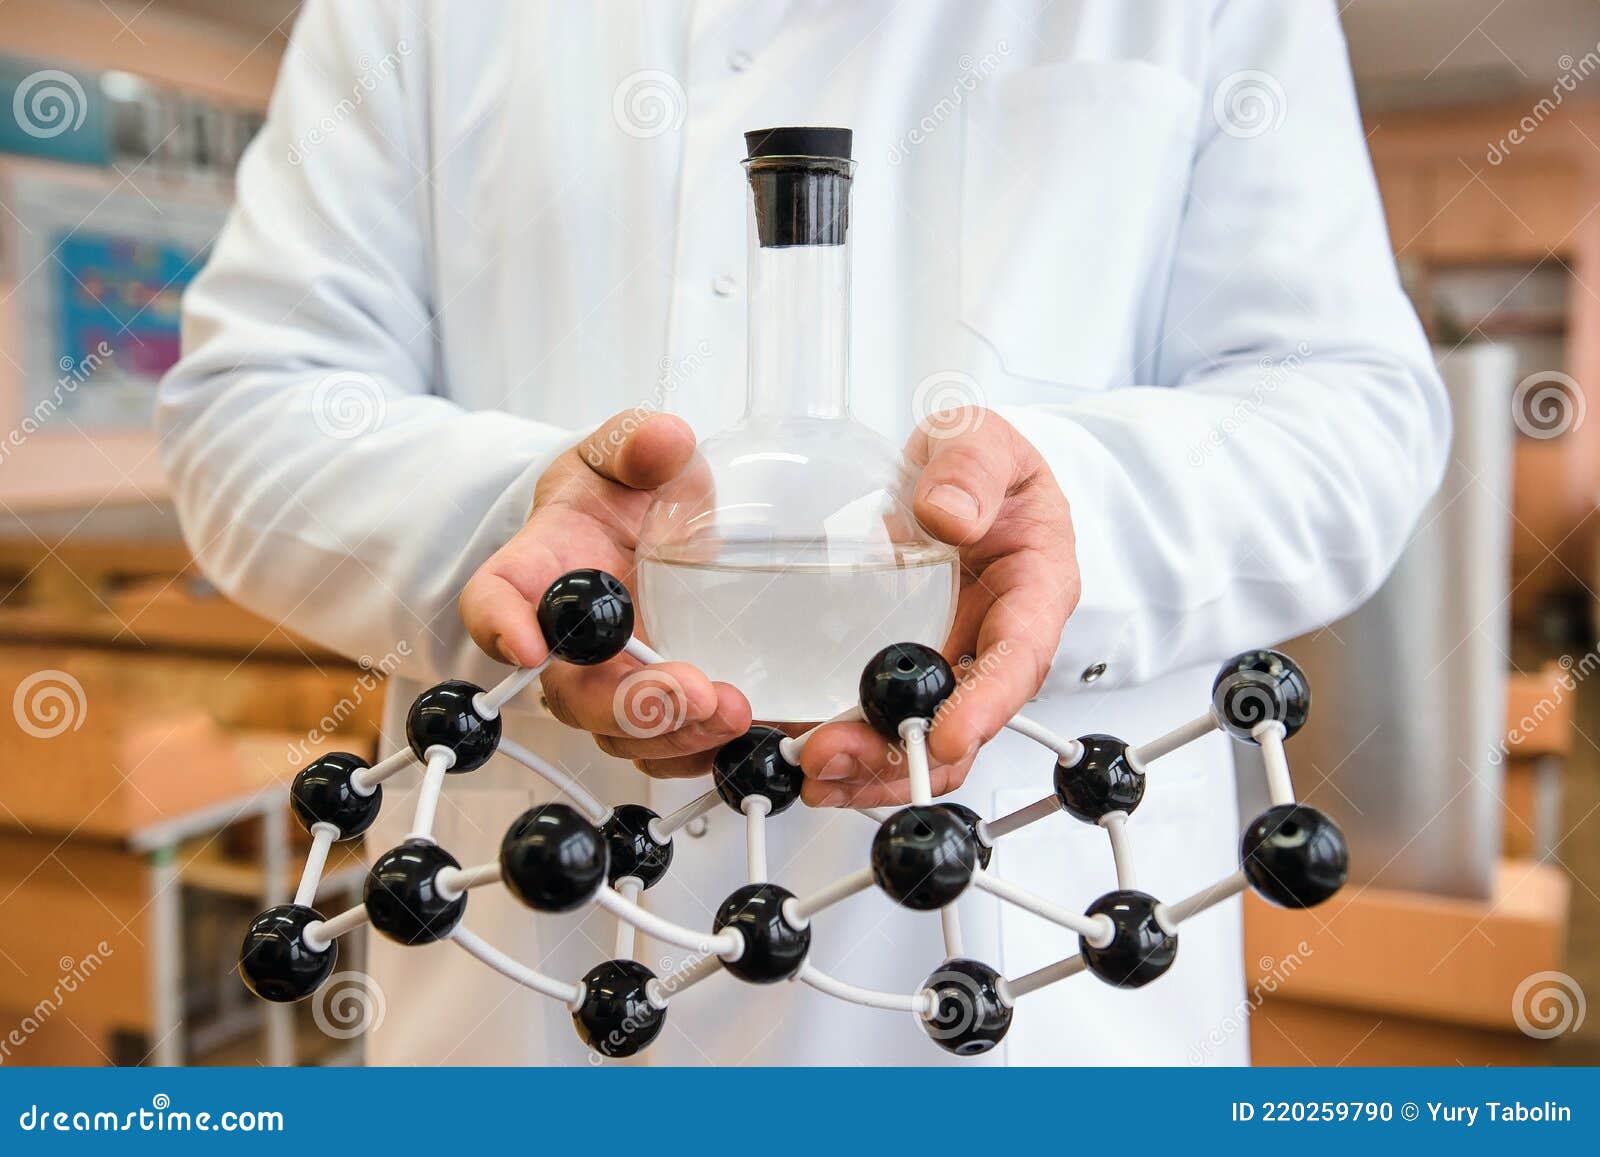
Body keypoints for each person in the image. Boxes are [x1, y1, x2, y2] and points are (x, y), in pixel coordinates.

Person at [158, 0, 1448, 1065]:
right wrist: (523, 534)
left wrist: (1079, 514)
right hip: (533, 995)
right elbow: (249, 411)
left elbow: (1348, 414)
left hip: (1036, 983)